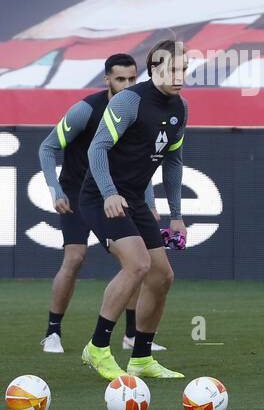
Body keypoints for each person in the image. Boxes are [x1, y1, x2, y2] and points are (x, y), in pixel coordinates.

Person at [36, 53, 168, 355]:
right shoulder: (86, 109)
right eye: (120, 79)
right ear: (106, 79)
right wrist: (55, 189)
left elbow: (141, 166)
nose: (127, 85)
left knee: (136, 263)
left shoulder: (137, 110)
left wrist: (149, 201)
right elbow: (48, 146)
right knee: (75, 258)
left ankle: (132, 335)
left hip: (118, 195)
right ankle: (53, 332)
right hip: (80, 196)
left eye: (133, 79)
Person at [79, 39, 188, 381]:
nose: (180, 76)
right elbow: (97, 149)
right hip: (100, 195)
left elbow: (173, 162)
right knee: (138, 264)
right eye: (172, 69)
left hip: (135, 199)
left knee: (162, 275)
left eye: (184, 69)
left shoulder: (179, 108)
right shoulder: (130, 101)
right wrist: (109, 192)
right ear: (155, 69)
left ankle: (141, 357)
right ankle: (97, 348)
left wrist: (176, 213)